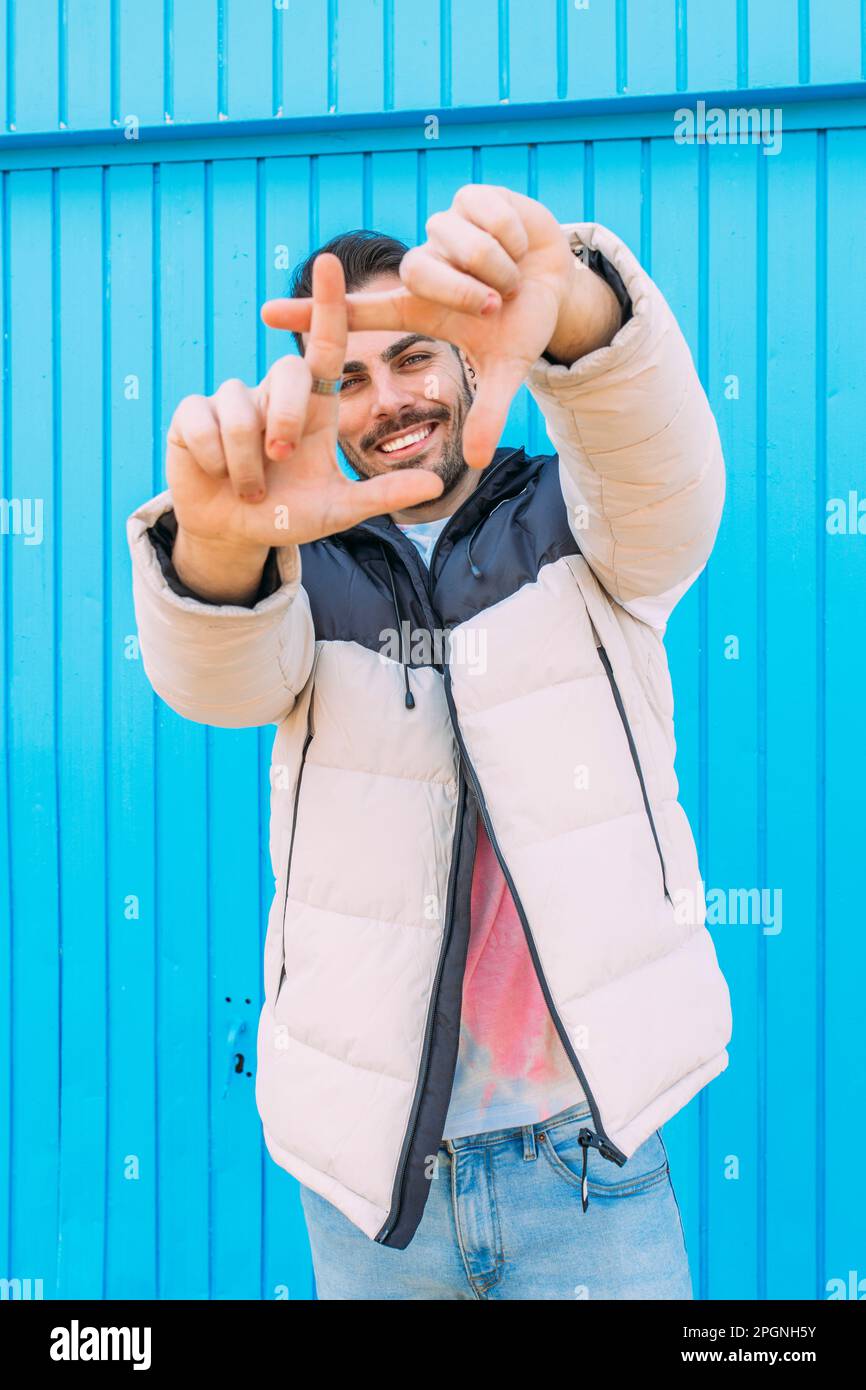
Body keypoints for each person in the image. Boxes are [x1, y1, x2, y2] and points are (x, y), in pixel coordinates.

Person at [126, 184, 732, 1300]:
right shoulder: (301, 573)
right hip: (374, 1194)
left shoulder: (578, 518)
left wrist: (577, 307)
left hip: (584, 1160)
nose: (386, 400)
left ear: (465, 357)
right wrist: (213, 549)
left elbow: (667, 484)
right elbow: (221, 674)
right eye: (347, 378)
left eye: (412, 357)